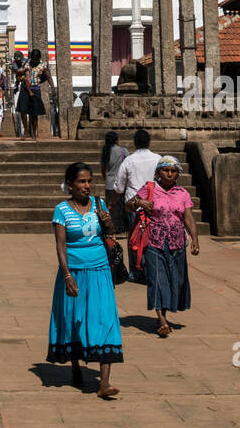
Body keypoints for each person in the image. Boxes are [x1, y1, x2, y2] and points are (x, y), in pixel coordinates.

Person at [47, 161, 123, 398]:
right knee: (74, 320)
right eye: (82, 182)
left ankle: (104, 383)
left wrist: (107, 222)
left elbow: (110, 233)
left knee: (104, 319)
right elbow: (60, 245)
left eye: (89, 181)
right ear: (70, 185)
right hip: (74, 272)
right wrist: (67, 274)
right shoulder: (61, 210)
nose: (87, 186)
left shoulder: (99, 204)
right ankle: (76, 366)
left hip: (100, 271)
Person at [127, 156, 198, 337]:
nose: (169, 174)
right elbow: (128, 206)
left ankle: (164, 314)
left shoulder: (182, 193)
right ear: (158, 172)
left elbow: (188, 218)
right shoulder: (149, 189)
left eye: (173, 171)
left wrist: (195, 240)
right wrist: (139, 202)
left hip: (177, 244)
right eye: (165, 170)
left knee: (175, 281)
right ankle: (162, 320)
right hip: (154, 242)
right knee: (158, 280)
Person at [111, 128, 161, 281]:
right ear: (149, 142)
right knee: (153, 237)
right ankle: (153, 268)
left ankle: (136, 271)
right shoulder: (158, 158)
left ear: (135, 143)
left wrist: (111, 203)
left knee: (134, 238)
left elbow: (119, 187)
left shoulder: (129, 161)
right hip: (154, 203)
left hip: (135, 205)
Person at [21, 48, 55, 142]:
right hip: (24, 89)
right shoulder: (26, 62)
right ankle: (26, 131)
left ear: (39, 58)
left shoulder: (43, 65)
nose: (34, 61)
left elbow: (48, 77)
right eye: (33, 58)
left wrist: (52, 88)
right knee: (23, 110)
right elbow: (21, 73)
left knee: (34, 113)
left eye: (36, 59)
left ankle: (34, 133)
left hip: (35, 89)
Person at [101, 131, 129, 233]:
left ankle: (112, 227)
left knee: (110, 206)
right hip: (121, 182)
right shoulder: (123, 151)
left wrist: (106, 178)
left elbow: (103, 168)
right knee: (121, 206)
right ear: (116, 140)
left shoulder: (106, 151)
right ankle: (121, 228)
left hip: (109, 182)